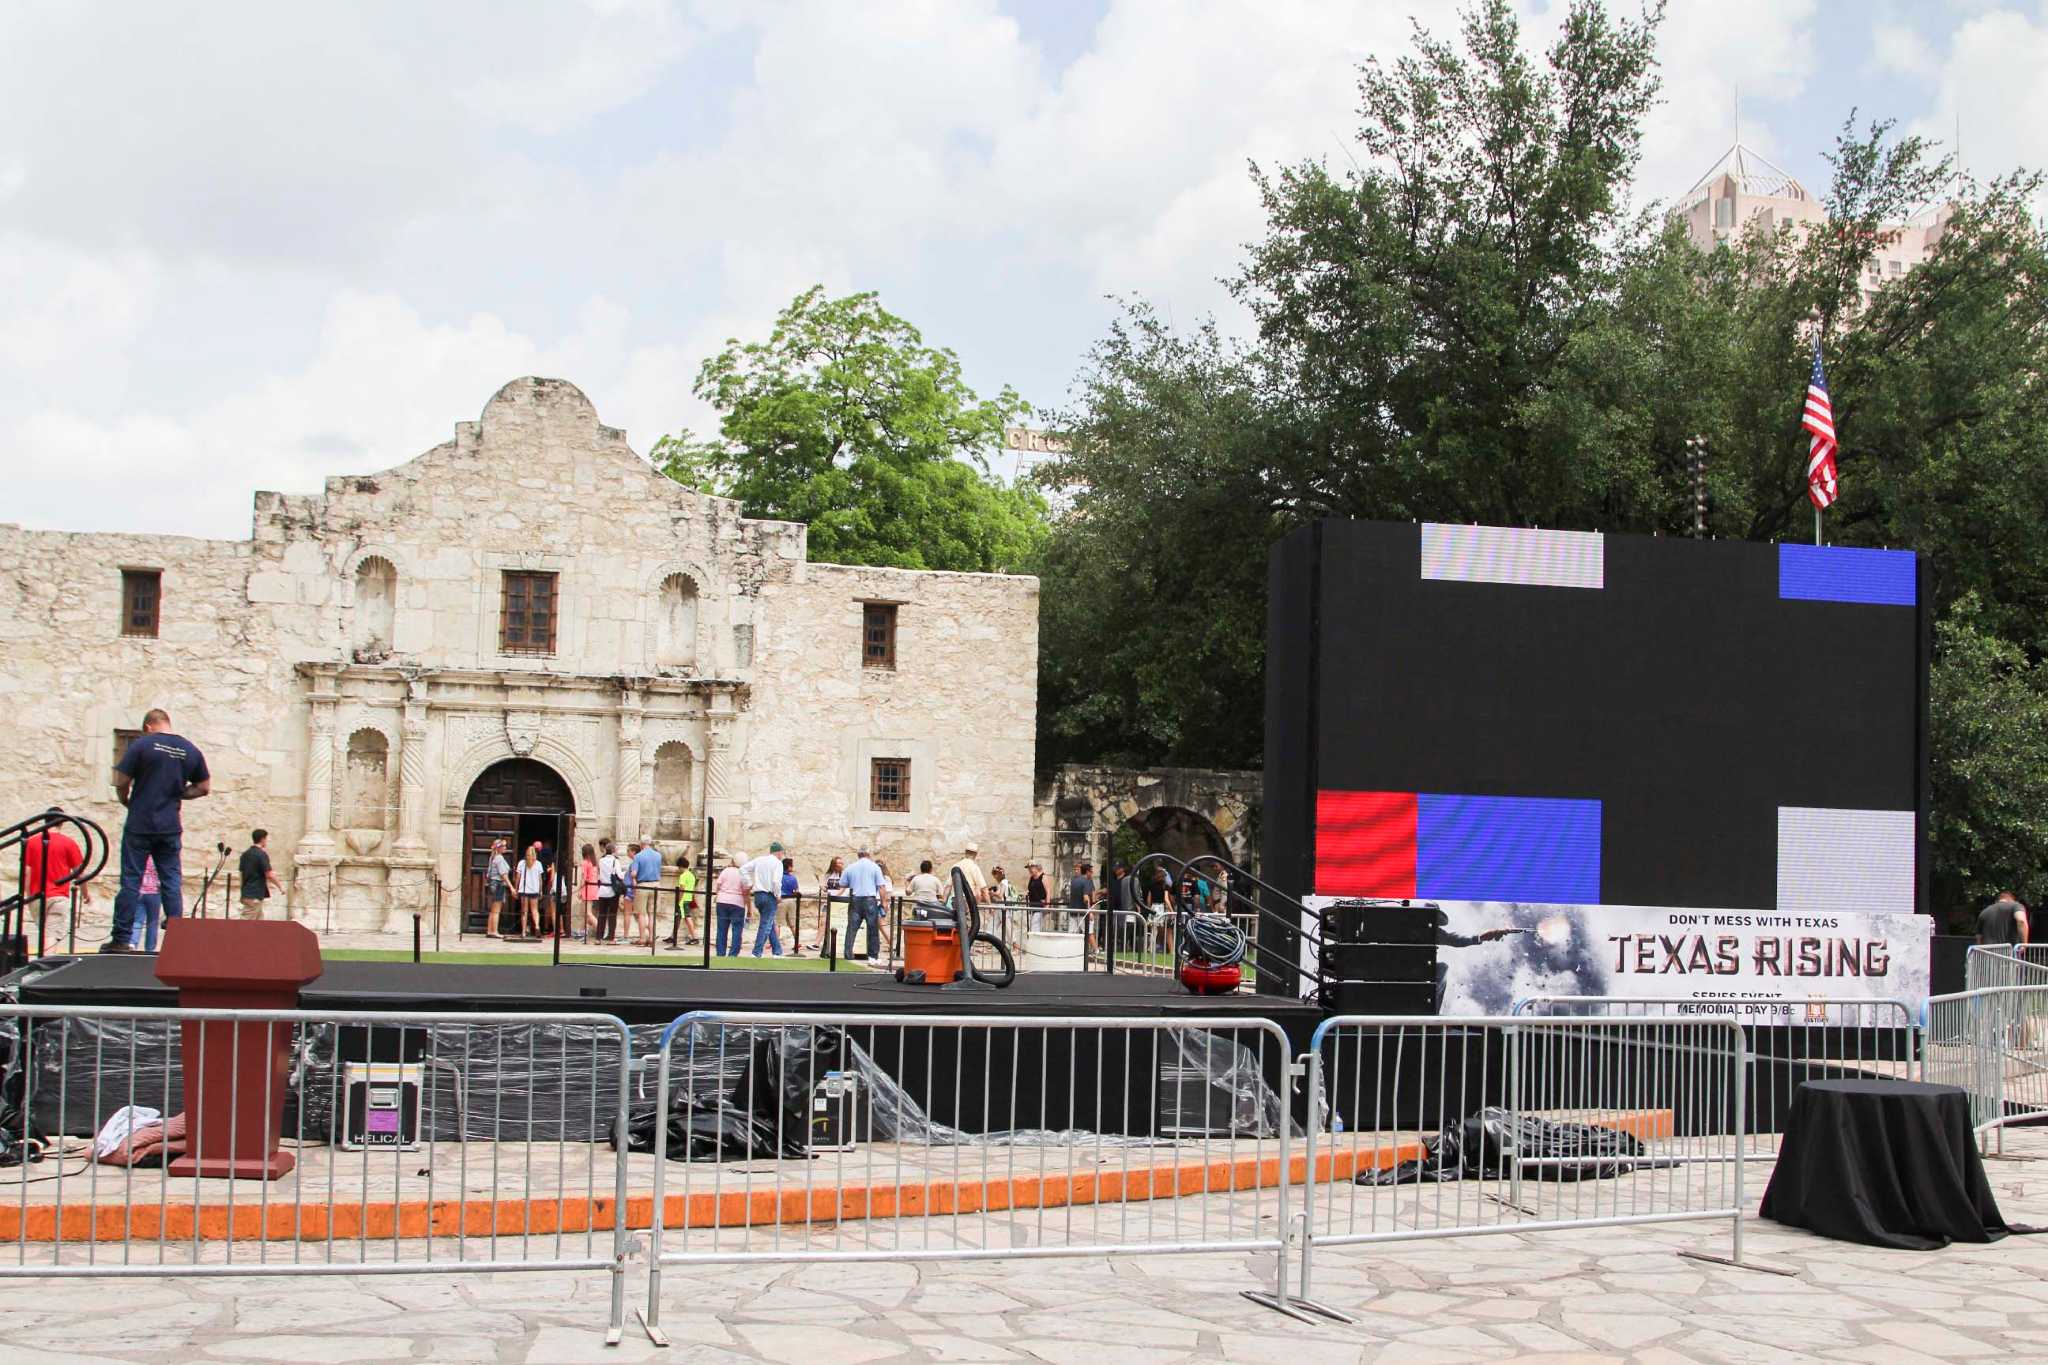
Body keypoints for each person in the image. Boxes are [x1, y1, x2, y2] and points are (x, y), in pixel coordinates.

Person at [108, 709, 208, 954]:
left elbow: (121, 780)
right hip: (169, 825)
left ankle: (121, 938)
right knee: (171, 880)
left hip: (140, 823)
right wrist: (178, 793)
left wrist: (125, 799)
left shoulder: (142, 745)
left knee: (131, 881)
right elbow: (204, 787)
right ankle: (177, 936)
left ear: (148, 726)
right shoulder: (189, 749)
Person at [23, 808, 90, 940]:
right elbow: (79, 872)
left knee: (44, 935)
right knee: (50, 937)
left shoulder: (31, 842)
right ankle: (46, 961)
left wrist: (28, 896)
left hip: (36, 895)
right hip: (58, 895)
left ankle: (43, 959)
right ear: (62, 823)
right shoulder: (69, 843)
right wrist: (85, 893)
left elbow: (27, 872)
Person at [746, 843, 786, 957]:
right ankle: (756, 952)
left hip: (758, 895)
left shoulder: (759, 860)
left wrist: (749, 883)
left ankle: (777, 951)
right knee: (765, 924)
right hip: (769, 895)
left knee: (769, 923)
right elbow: (776, 882)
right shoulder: (778, 863)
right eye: (782, 853)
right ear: (778, 852)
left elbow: (744, 869)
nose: (782, 855)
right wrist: (778, 895)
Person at [843, 847, 884, 961]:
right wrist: (884, 902)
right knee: (872, 929)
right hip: (869, 899)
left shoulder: (850, 867)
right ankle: (873, 955)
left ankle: (848, 954)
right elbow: (881, 886)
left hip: (855, 898)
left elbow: (843, 883)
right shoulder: (874, 867)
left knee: (851, 927)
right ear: (868, 854)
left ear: (858, 855)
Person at [237, 830, 281, 921]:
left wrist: (242, 892)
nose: (266, 841)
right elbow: (269, 874)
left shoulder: (245, 854)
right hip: (255, 894)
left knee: (259, 923)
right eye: (266, 839)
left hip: (247, 893)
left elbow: (241, 874)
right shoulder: (261, 854)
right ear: (262, 839)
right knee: (244, 923)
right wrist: (280, 886)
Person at [714, 852, 749, 957]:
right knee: (737, 929)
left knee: (721, 929)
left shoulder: (726, 871)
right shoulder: (743, 874)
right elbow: (745, 891)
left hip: (722, 901)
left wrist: (719, 894)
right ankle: (733, 953)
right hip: (737, 902)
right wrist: (749, 907)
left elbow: (718, 885)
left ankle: (720, 953)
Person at [632, 840, 664, 947]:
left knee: (641, 914)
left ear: (641, 844)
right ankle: (651, 938)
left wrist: (633, 877)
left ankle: (642, 938)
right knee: (652, 914)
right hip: (655, 884)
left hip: (643, 885)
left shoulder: (638, 856)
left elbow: (634, 873)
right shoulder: (658, 855)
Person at [670, 851, 700, 946]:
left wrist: (678, 900)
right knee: (678, 918)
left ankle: (694, 937)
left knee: (687, 918)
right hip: (689, 898)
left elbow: (681, 889)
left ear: (680, 866)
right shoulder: (691, 875)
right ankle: (673, 936)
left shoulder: (683, 876)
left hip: (683, 900)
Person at [594, 839, 621, 943]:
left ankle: (598, 938)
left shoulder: (601, 860)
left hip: (602, 889)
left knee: (602, 914)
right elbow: (618, 875)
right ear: (613, 850)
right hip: (612, 890)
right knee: (612, 915)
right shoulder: (615, 861)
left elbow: (600, 874)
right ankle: (611, 938)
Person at [578, 843, 600, 940]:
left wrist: (579, 890)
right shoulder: (594, 863)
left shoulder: (585, 863)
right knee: (584, 912)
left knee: (588, 913)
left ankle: (600, 930)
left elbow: (584, 878)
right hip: (594, 888)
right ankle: (583, 933)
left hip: (587, 889)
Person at [780, 857, 801, 953]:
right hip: (792, 900)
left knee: (777, 923)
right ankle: (797, 942)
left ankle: (773, 942)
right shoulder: (793, 878)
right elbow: (796, 891)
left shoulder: (779, 876)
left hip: (782, 900)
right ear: (788, 867)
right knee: (793, 924)